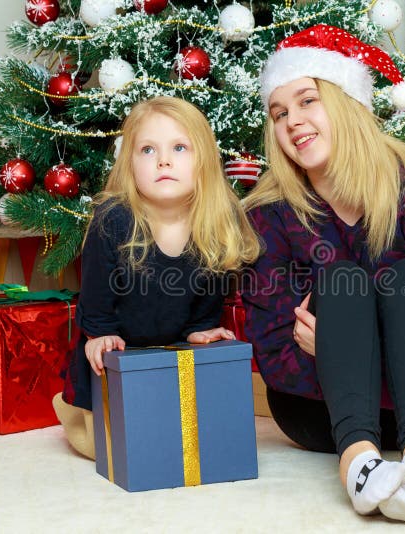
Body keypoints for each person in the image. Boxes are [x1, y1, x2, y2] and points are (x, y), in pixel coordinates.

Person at [241, 25, 405, 524]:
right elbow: (272, 352)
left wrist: (338, 348)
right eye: (280, 112)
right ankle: (357, 465)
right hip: (317, 413)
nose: (293, 122)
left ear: (345, 100)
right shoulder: (268, 214)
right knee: (341, 281)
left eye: (308, 100)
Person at [53, 96, 260, 459]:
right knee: (112, 449)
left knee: (190, 439)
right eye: (148, 150)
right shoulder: (114, 220)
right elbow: (96, 295)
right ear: (130, 164)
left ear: (204, 161)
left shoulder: (214, 220)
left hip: (171, 353)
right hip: (119, 349)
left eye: (179, 147)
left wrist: (202, 327)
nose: (163, 160)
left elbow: (210, 290)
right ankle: (71, 407)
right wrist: (99, 335)